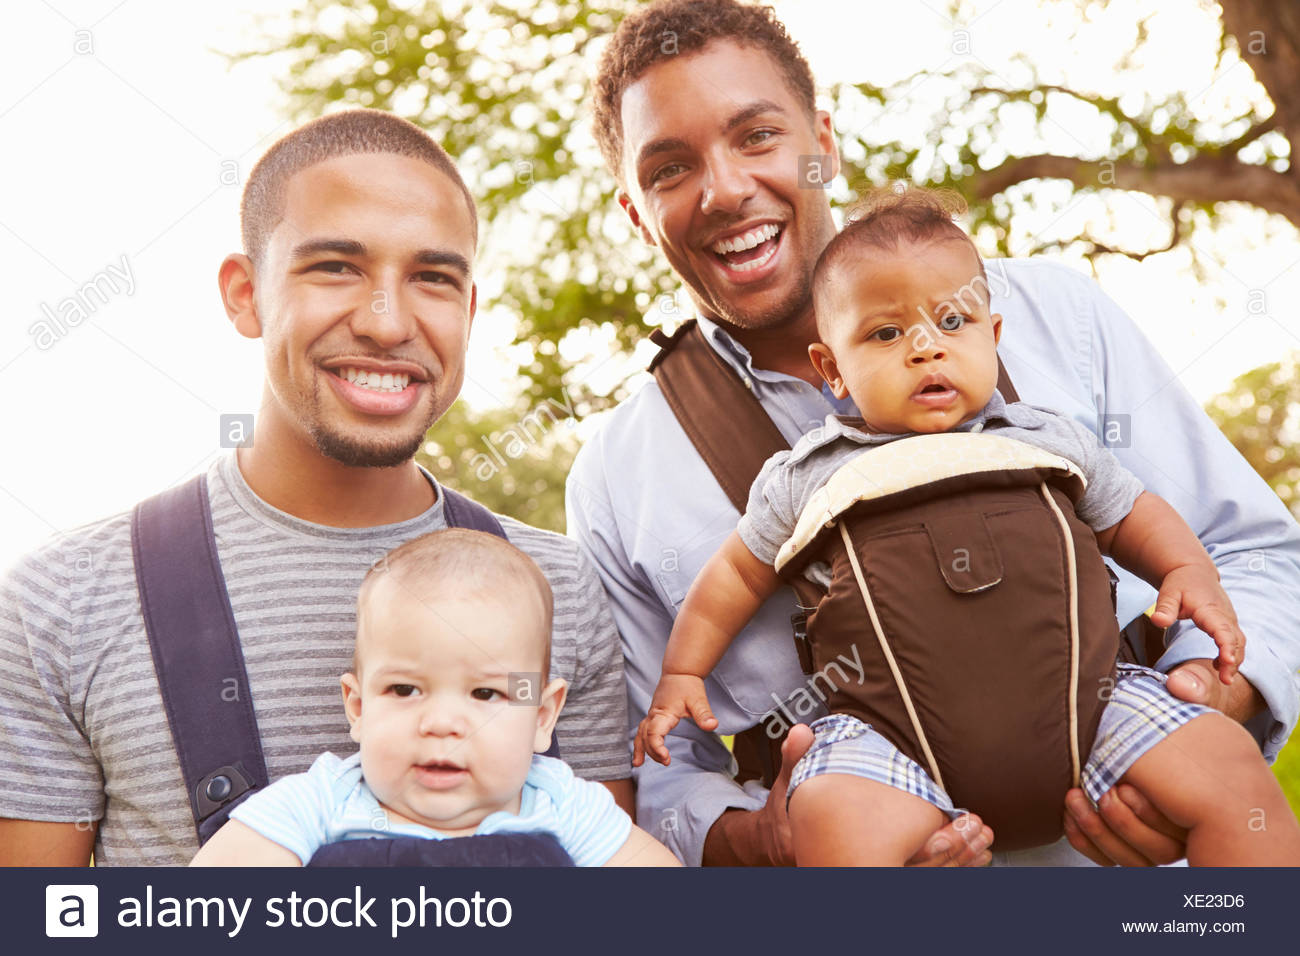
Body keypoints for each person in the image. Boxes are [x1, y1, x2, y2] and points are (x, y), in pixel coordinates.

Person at [566, 0, 1300, 866]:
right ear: (633, 209)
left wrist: (1211, 702)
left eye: (756, 135)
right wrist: (763, 842)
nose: (725, 189)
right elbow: (650, 769)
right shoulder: (617, 479)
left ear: (823, 142)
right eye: (670, 169)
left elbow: (1252, 555)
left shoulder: (1054, 315)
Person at [0, 110, 631, 866]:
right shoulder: (62, 604)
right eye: (336, 267)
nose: (387, 322)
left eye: (432, 277)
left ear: (467, 312)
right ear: (245, 294)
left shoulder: (562, 589)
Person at [192, 530, 677, 867]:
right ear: (358, 707)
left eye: (486, 693)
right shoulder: (318, 805)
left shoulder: (566, 807)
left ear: (542, 716)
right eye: (404, 689)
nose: (442, 723)